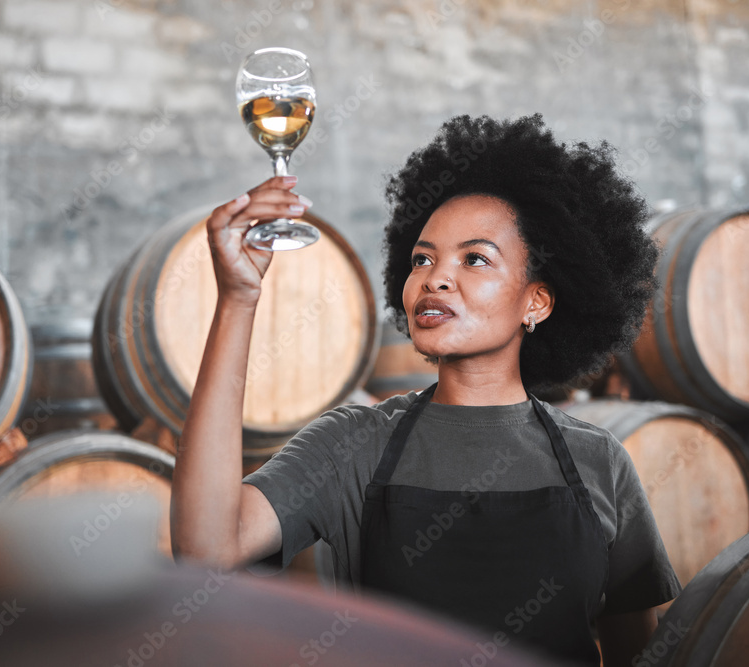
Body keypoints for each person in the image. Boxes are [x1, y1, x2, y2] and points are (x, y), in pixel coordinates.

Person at [171, 114, 682, 666]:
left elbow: (636, 653)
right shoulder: (352, 443)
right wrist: (238, 298)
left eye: (475, 259)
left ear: (536, 301)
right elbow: (206, 550)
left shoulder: (599, 460)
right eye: (422, 259)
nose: (435, 277)